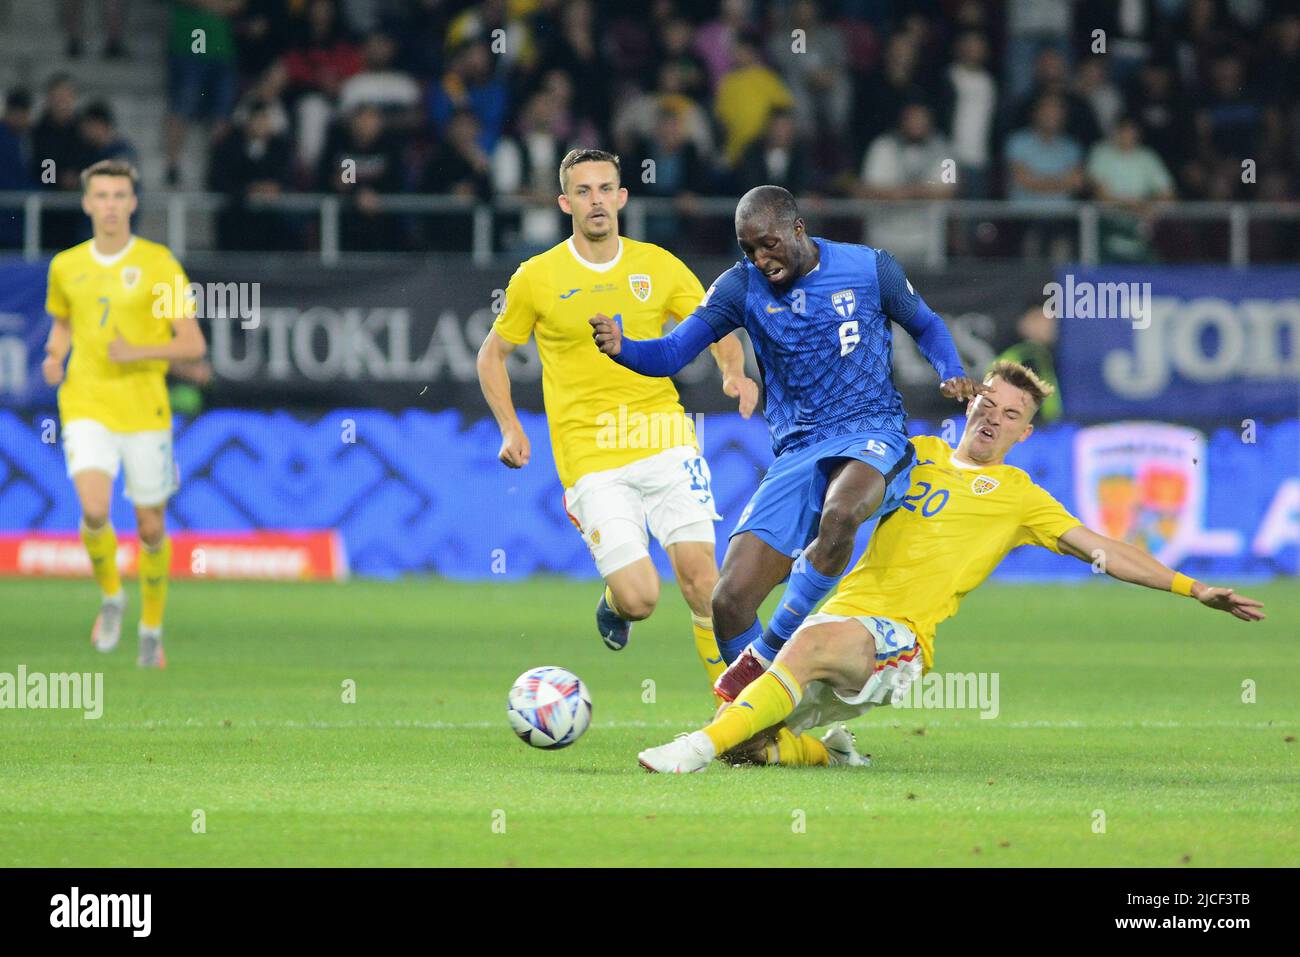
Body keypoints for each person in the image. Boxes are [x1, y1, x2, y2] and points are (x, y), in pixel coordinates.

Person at [637, 361, 1266, 772]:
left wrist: (1192, 587)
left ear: (1024, 434)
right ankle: (826, 749)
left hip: (899, 641)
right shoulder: (915, 454)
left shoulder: (1021, 497)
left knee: (798, 654)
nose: (995, 417)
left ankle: (690, 752)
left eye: (1012, 414)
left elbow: (1103, 547)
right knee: (746, 743)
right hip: (841, 615)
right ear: (971, 403)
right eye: (990, 402)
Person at [590, 185, 981, 704]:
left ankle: (772, 648)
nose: (760, 258)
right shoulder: (739, 287)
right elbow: (671, 353)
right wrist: (623, 349)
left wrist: (952, 371)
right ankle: (771, 714)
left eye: (768, 244)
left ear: (799, 229)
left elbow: (926, 324)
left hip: (872, 432)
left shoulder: (869, 268)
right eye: (748, 248)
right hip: (798, 451)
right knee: (728, 601)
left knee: (841, 514)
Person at [477, 149, 758, 686]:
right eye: (583, 192)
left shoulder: (657, 265)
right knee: (642, 597)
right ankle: (615, 603)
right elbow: (491, 354)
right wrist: (510, 427)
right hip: (591, 456)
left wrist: (732, 372)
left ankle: (736, 711)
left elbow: (716, 324)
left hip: (665, 438)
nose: (597, 200)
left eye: (606, 189)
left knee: (704, 581)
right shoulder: (536, 277)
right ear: (565, 203)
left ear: (623, 197)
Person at [40, 159, 208, 668]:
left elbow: (192, 343)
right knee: (93, 508)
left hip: (145, 409)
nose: (111, 205)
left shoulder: (158, 264)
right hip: (86, 401)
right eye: (102, 196)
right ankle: (112, 597)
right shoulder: (66, 266)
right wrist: (53, 355)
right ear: (88, 202)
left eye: (120, 196)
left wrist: (135, 351)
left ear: (133, 203)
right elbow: (64, 324)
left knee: (151, 528)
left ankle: (151, 628)